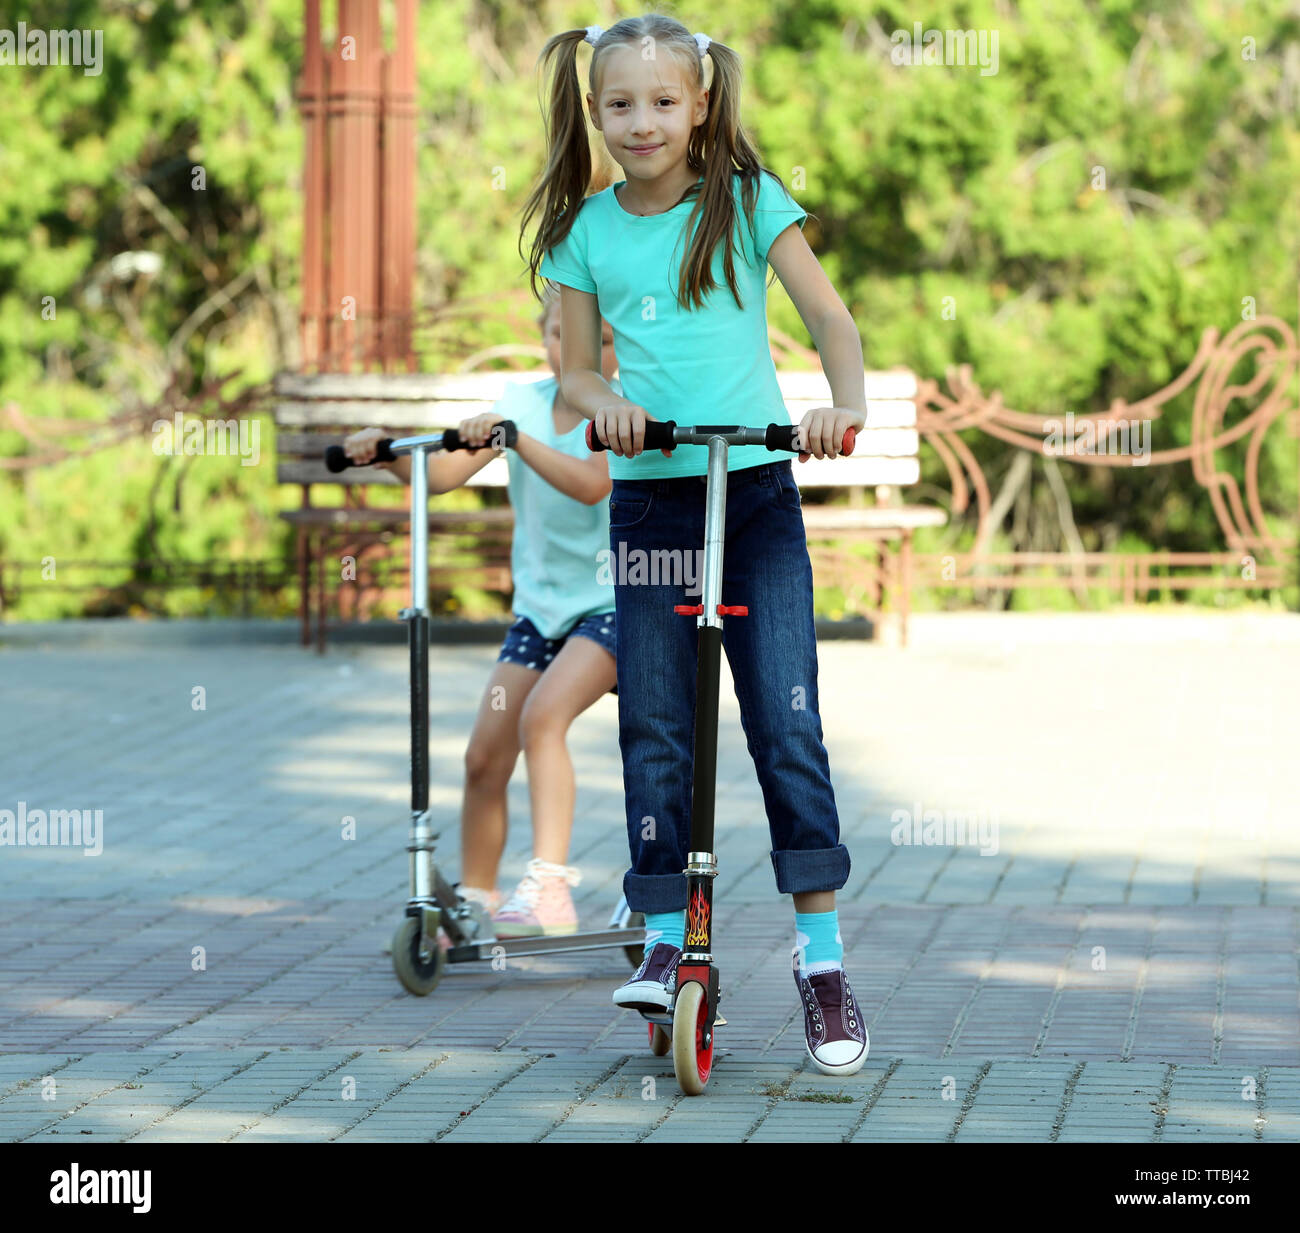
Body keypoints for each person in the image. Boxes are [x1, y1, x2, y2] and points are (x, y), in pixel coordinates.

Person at [519, 17, 870, 1074]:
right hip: (654, 504)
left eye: (663, 103)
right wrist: (605, 400)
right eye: (618, 105)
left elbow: (829, 321)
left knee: (784, 723)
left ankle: (822, 966)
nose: (641, 123)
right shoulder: (583, 232)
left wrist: (836, 409)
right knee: (657, 727)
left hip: (756, 492)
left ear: (701, 104)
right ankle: (668, 943)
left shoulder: (747, 203)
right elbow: (575, 372)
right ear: (594, 112)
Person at [342, 288, 622, 939]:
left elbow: (592, 485)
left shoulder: (617, 409)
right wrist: (388, 452)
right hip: (541, 613)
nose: (576, 349)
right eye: (561, 333)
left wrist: (517, 442)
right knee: (482, 756)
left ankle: (550, 885)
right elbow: (438, 477)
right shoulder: (519, 402)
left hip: (615, 607)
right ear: (545, 336)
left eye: (600, 339)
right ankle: (475, 900)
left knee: (542, 717)